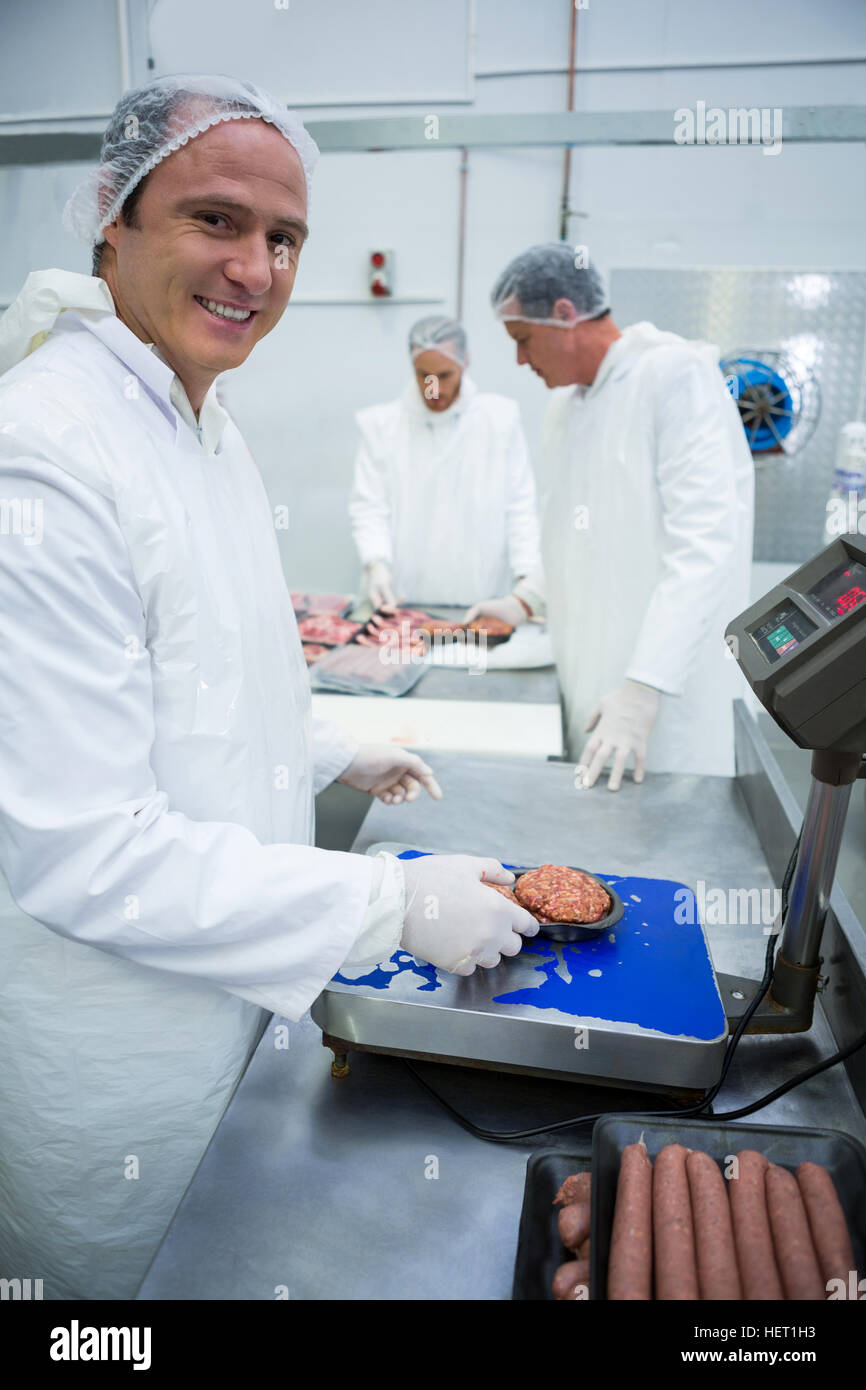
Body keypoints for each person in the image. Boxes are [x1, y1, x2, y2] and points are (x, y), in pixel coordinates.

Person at [0, 75, 538, 1300]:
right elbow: (81, 850)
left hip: (231, 1004)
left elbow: (216, 674)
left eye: (283, 238)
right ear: (114, 222)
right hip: (115, 1068)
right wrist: (378, 906)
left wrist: (327, 745)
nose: (255, 267)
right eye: (216, 221)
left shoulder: (205, 424)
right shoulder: (42, 453)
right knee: (116, 1313)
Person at [468, 242, 754, 790]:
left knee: (670, 843)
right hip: (593, 679)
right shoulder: (567, 406)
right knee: (602, 848)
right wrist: (527, 598)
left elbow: (706, 547)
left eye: (522, 341)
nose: (521, 361)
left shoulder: (675, 378)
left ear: (564, 314)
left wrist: (646, 687)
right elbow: (575, 535)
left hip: (664, 696)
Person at [349, 314, 542, 608]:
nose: (433, 388)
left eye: (444, 376)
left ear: (465, 364)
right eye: (422, 375)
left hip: (480, 602)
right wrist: (375, 563)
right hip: (402, 602)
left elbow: (520, 507)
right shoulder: (381, 425)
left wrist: (527, 578)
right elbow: (369, 506)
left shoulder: (499, 421)